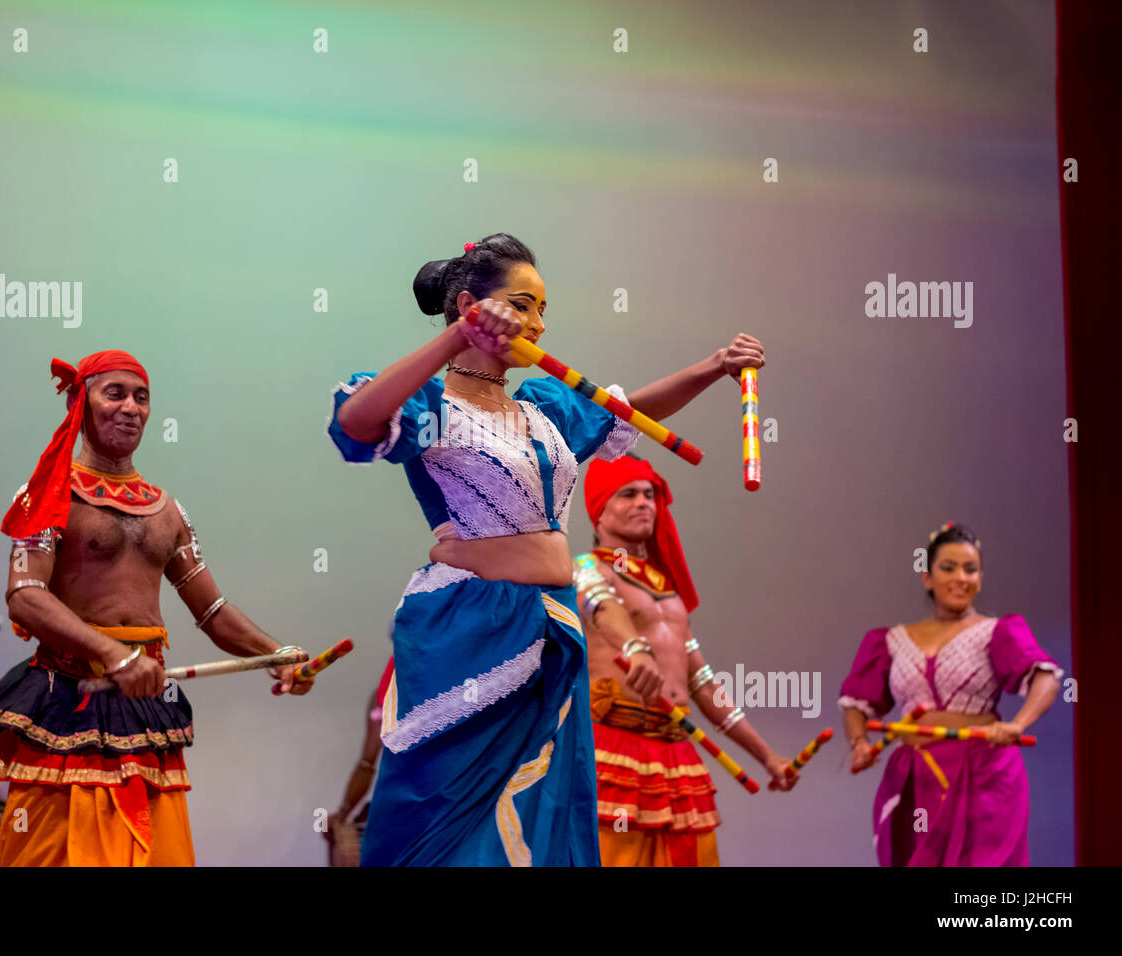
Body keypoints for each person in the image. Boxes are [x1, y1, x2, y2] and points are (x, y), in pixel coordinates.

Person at [328, 232, 763, 866]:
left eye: (541, 309)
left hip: (551, 626)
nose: (538, 322)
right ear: (474, 305)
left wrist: (716, 366)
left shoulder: (542, 410)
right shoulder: (435, 405)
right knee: (446, 808)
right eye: (525, 305)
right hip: (471, 631)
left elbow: (628, 412)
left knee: (540, 808)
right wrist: (457, 338)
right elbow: (357, 423)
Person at [0, 349, 313, 867]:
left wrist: (278, 653)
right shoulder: (46, 494)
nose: (131, 407)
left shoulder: (167, 509)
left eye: (142, 397)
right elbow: (25, 597)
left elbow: (213, 610)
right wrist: (113, 655)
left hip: (145, 707)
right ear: (80, 404)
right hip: (67, 701)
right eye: (115, 394)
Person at [576, 455, 797, 867]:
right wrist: (636, 649)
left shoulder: (667, 592)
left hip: (676, 758)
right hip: (613, 752)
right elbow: (601, 607)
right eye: (629, 494)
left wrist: (767, 756)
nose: (645, 503)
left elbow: (704, 684)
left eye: (650, 494)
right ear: (599, 511)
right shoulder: (588, 571)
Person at [840, 521, 1061, 866]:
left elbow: (1045, 678)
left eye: (970, 569)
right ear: (927, 577)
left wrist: (1017, 725)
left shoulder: (997, 632)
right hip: (915, 777)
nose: (961, 577)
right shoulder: (891, 639)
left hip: (981, 774)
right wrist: (858, 744)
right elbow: (857, 701)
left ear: (980, 578)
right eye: (948, 568)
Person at [324, 657, 391, 867]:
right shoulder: (387, 691)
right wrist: (343, 815)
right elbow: (367, 764)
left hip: (441, 805)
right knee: (344, 841)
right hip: (396, 805)